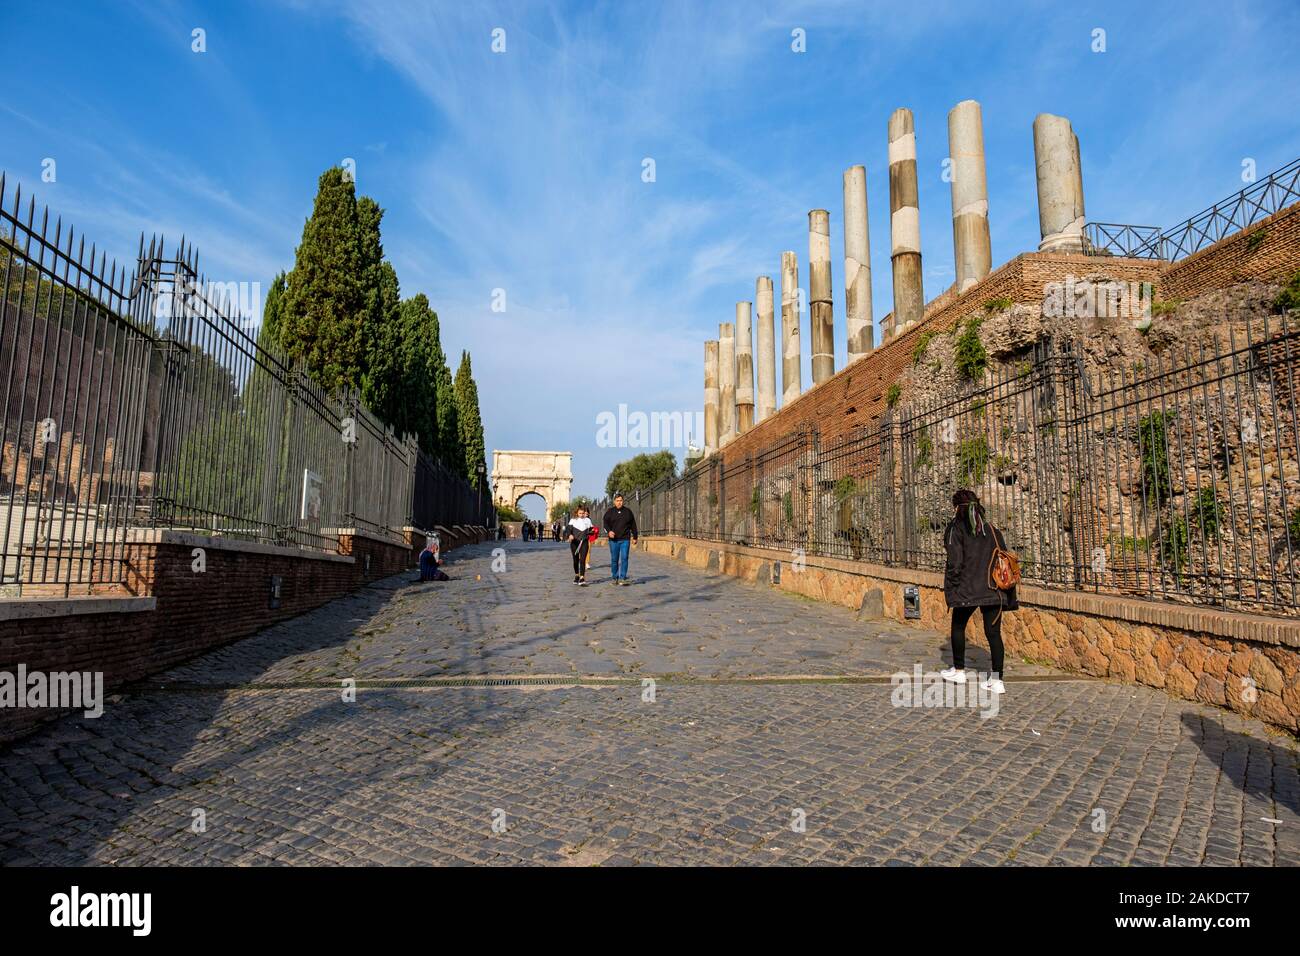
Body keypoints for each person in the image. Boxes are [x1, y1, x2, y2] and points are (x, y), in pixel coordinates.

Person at [941, 489, 1017, 695]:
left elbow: (955, 563)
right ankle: (997, 681)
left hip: (967, 590)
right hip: (994, 589)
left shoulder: (956, 529)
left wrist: (952, 589)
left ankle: (958, 671)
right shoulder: (993, 530)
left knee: (958, 626)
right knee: (993, 633)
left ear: (957, 508)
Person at [603, 492, 638, 585]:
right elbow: (605, 523)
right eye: (617, 501)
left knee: (624, 558)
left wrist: (635, 536)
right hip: (614, 541)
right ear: (614, 501)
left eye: (621, 500)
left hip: (625, 539)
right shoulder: (610, 512)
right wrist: (609, 531)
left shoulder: (628, 512)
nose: (619, 502)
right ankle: (615, 577)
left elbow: (633, 525)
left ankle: (623, 577)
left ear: (623, 501)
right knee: (614, 559)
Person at [565, 505, 594, 585]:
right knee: (575, 560)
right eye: (580, 513)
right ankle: (577, 575)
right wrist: (570, 535)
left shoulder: (588, 520)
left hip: (584, 542)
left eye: (583, 513)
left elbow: (592, 529)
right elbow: (568, 529)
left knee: (583, 560)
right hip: (575, 542)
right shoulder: (573, 520)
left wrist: (592, 531)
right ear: (577, 513)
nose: (581, 515)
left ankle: (582, 577)